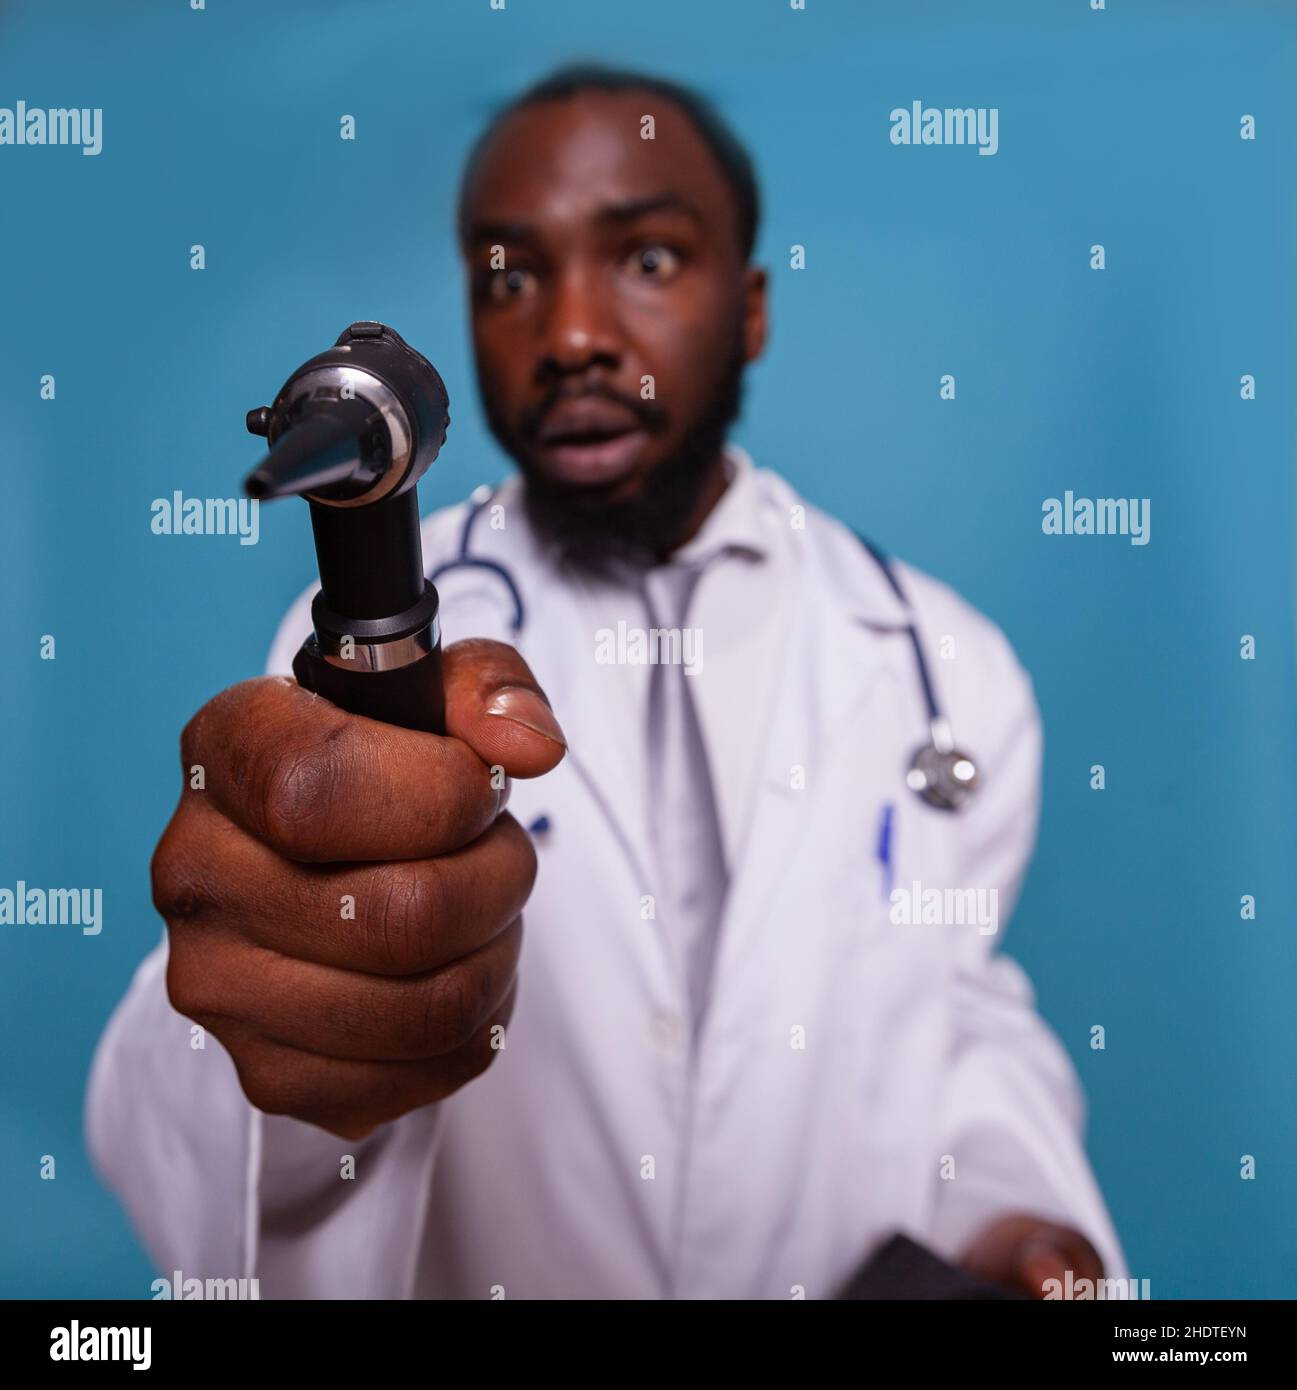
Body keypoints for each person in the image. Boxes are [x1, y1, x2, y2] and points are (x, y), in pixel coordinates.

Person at [86, 66, 1125, 1299]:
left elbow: (950, 1016)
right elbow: (243, 1058)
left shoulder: (945, 665)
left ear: (748, 311)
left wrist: (1019, 1223)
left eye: (646, 258)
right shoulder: (363, 669)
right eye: (508, 277)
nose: (571, 334)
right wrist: (284, 1051)